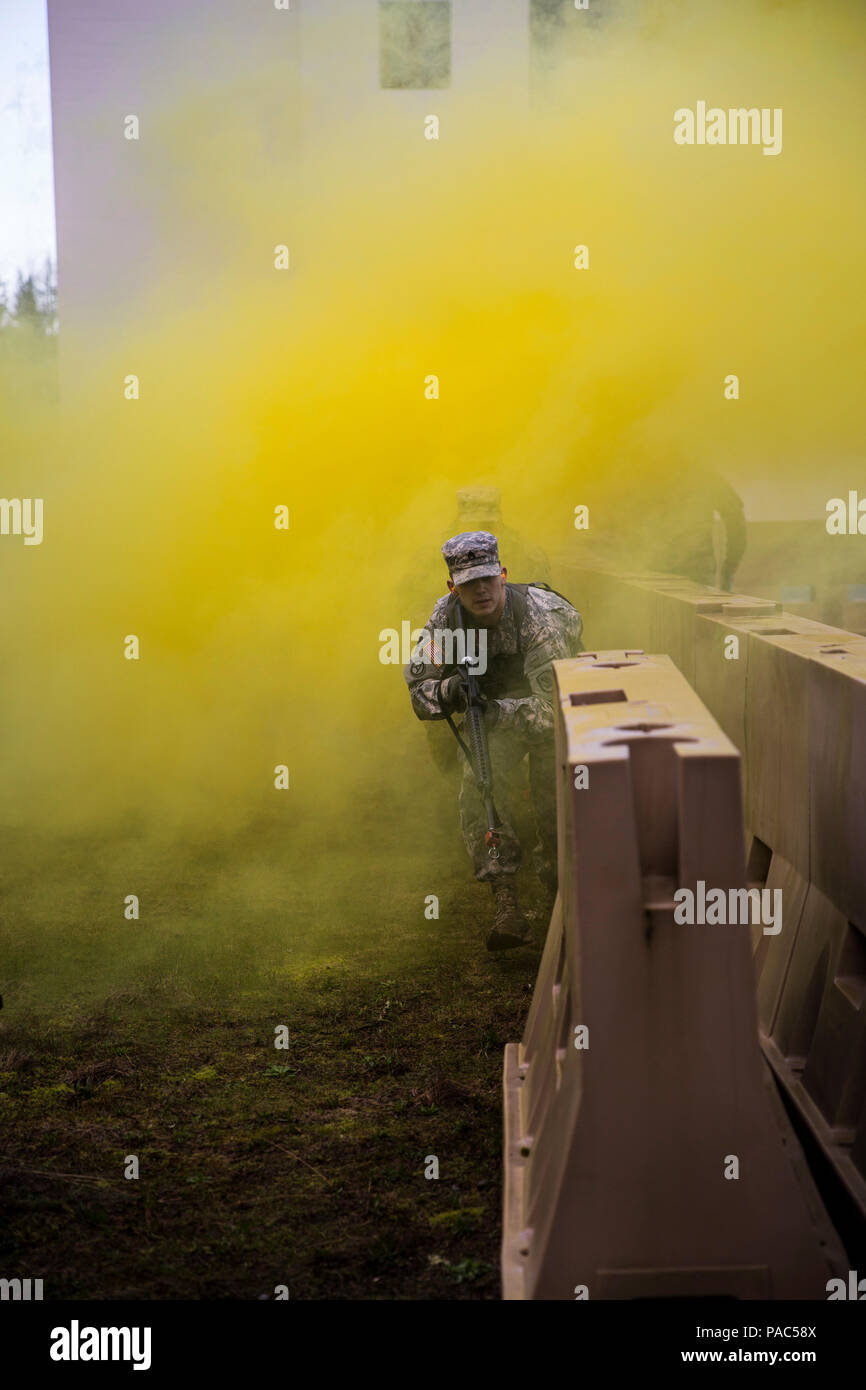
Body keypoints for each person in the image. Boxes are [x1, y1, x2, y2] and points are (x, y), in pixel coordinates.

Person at [404, 531, 584, 952]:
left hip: (549, 699)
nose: (481, 590)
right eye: (469, 584)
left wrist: (498, 712)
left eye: (488, 579)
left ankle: (562, 891)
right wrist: (450, 692)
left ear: (503, 576)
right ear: (453, 588)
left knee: (554, 795)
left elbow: (556, 710)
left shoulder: (541, 622)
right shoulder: (445, 621)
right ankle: (505, 900)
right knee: (479, 789)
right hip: (492, 710)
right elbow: (416, 688)